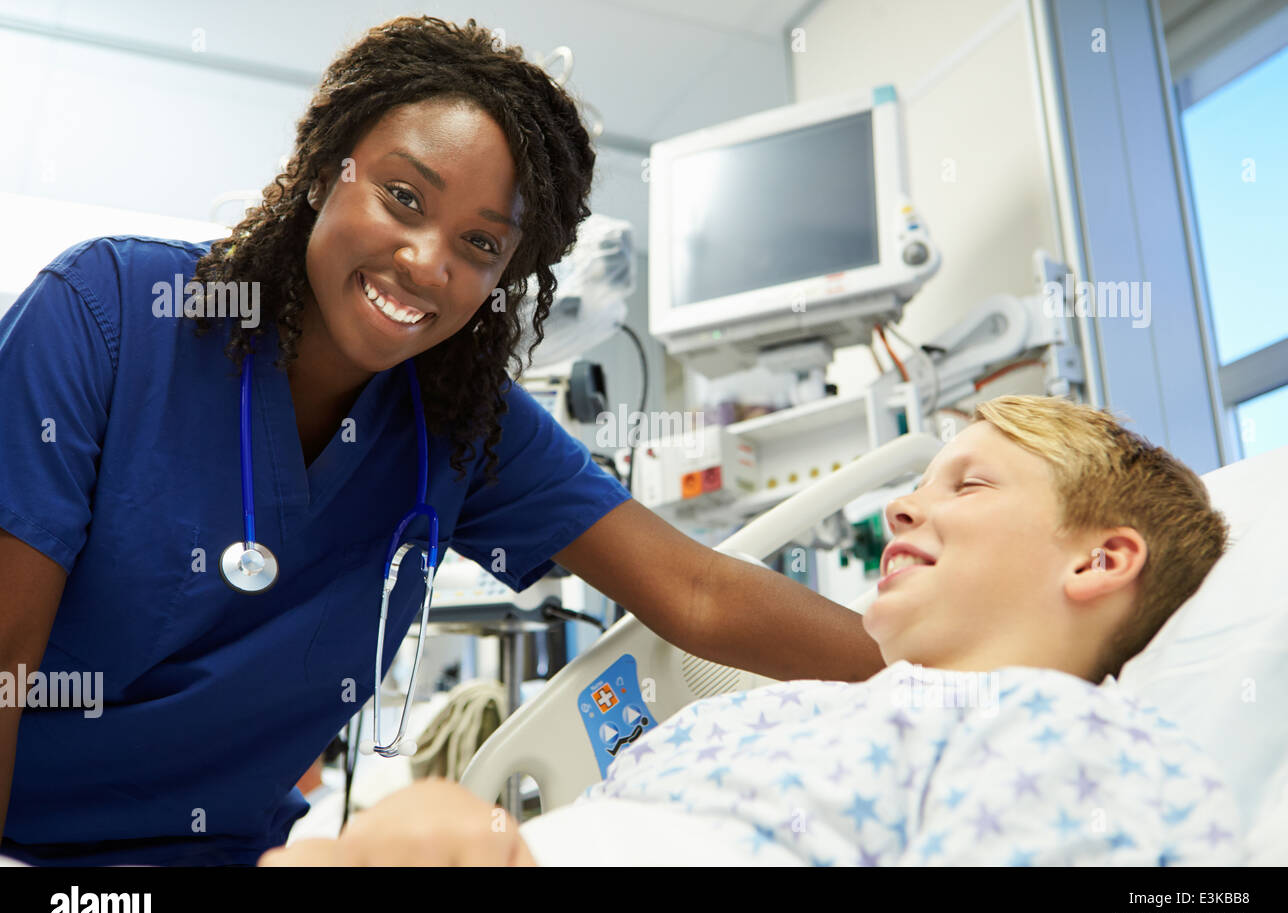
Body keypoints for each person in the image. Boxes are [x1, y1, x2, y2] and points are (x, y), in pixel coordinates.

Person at [0, 17, 874, 867]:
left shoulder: (459, 423)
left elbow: (699, 592)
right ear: (319, 171)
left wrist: (968, 679)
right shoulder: (108, 316)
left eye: (480, 243)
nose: (427, 261)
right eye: (403, 196)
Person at [261, 395, 1243, 867]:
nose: (900, 507)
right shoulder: (752, 719)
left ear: (1097, 560)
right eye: (918, 479)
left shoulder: (1076, 740)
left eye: (969, 483)